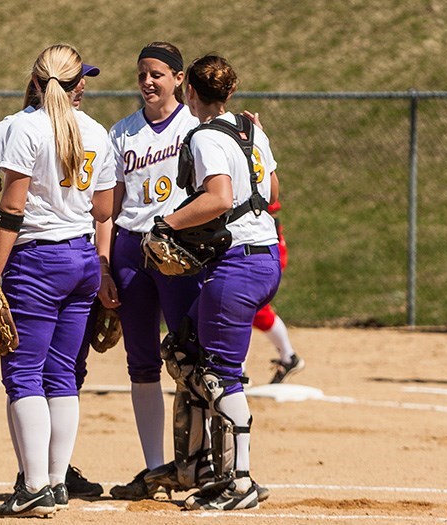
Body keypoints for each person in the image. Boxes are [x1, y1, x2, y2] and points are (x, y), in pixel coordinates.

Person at [0, 44, 116, 518]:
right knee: (61, 374)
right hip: (81, 258)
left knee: (22, 374)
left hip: (37, 262)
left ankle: (35, 485)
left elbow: (13, 209)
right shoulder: (97, 131)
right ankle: (55, 483)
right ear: (78, 86)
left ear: (35, 83)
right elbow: (103, 211)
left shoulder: (24, 127)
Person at [155, 54, 281, 510]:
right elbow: (273, 192)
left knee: (218, 376)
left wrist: (165, 225)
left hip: (240, 264)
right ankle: (209, 469)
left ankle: (241, 481)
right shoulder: (252, 129)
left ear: (189, 91)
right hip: (260, 258)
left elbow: (219, 198)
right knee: (183, 349)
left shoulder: (206, 135)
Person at [96, 42, 203, 502]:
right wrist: (103, 265)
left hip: (179, 250)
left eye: (157, 74)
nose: (148, 82)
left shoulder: (197, 127)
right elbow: (109, 209)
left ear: (178, 78)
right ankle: (154, 466)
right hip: (130, 250)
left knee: (187, 359)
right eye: (142, 74)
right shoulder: (121, 132)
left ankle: (197, 462)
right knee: (140, 362)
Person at [253, 198, 305, 384]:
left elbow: (270, 207)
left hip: (265, 250)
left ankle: (288, 357)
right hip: (263, 249)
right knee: (247, 310)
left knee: (248, 309)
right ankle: (288, 357)